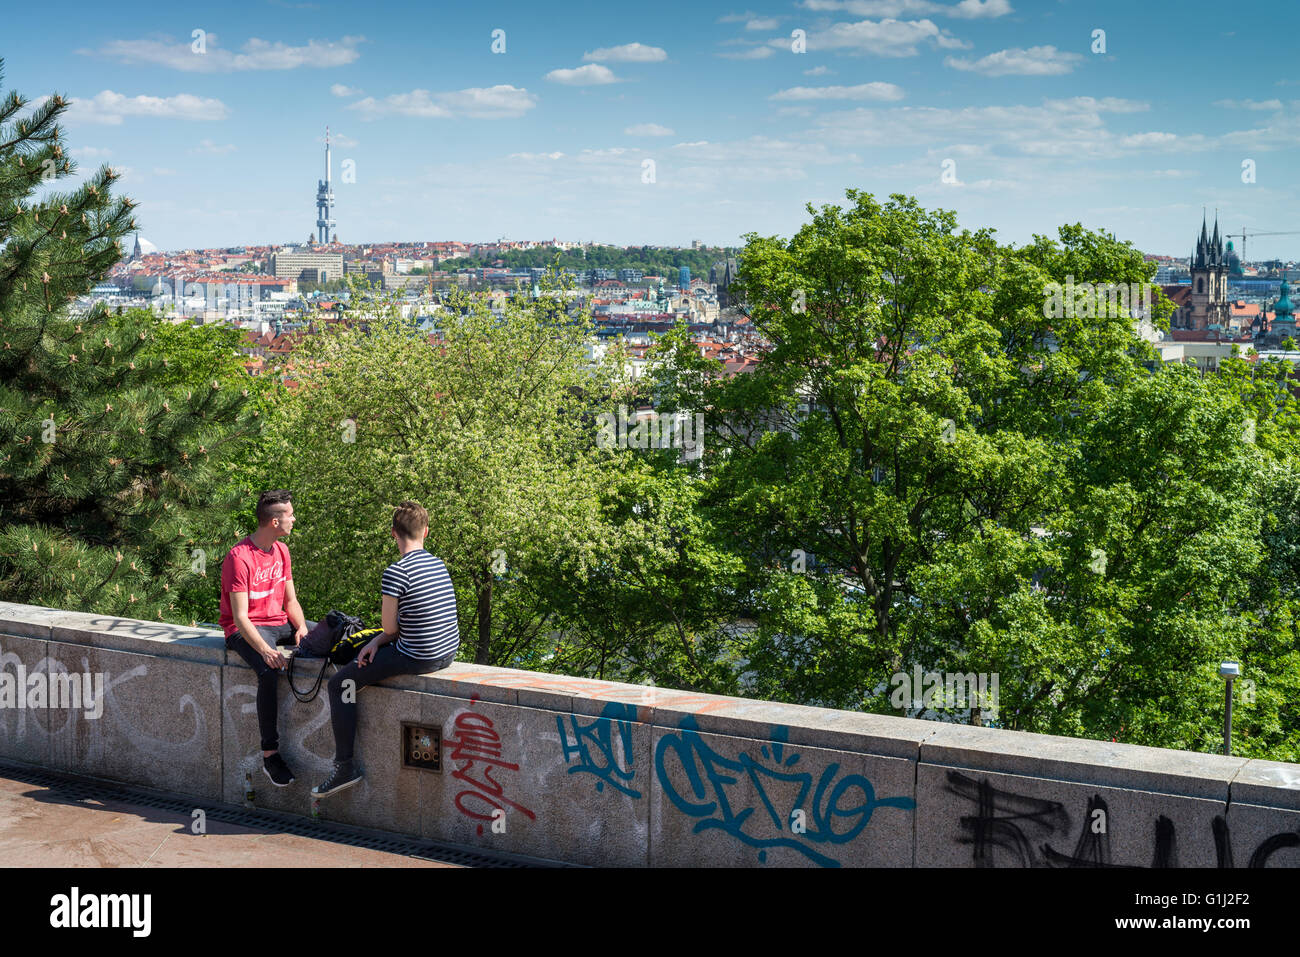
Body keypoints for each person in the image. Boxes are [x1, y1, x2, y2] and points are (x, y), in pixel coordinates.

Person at [313, 501, 460, 797]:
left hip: (419, 656)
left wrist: (379, 640)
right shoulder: (438, 564)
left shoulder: (396, 572)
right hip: (447, 650)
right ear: (426, 532)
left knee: (341, 683)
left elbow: (390, 627)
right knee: (365, 658)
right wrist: (376, 642)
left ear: (393, 533)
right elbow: (399, 627)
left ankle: (344, 768)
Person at [218, 490, 315, 787]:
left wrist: (301, 628)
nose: (294, 519)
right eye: (290, 514)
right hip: (244, 630)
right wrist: (265, 651)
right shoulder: (239, 557)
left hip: (278, 623)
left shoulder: (282, 551)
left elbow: (292, 602)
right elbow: (239, 618)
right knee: (269, 671)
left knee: (333, 631)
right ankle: (270, 756)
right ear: (274, 521)